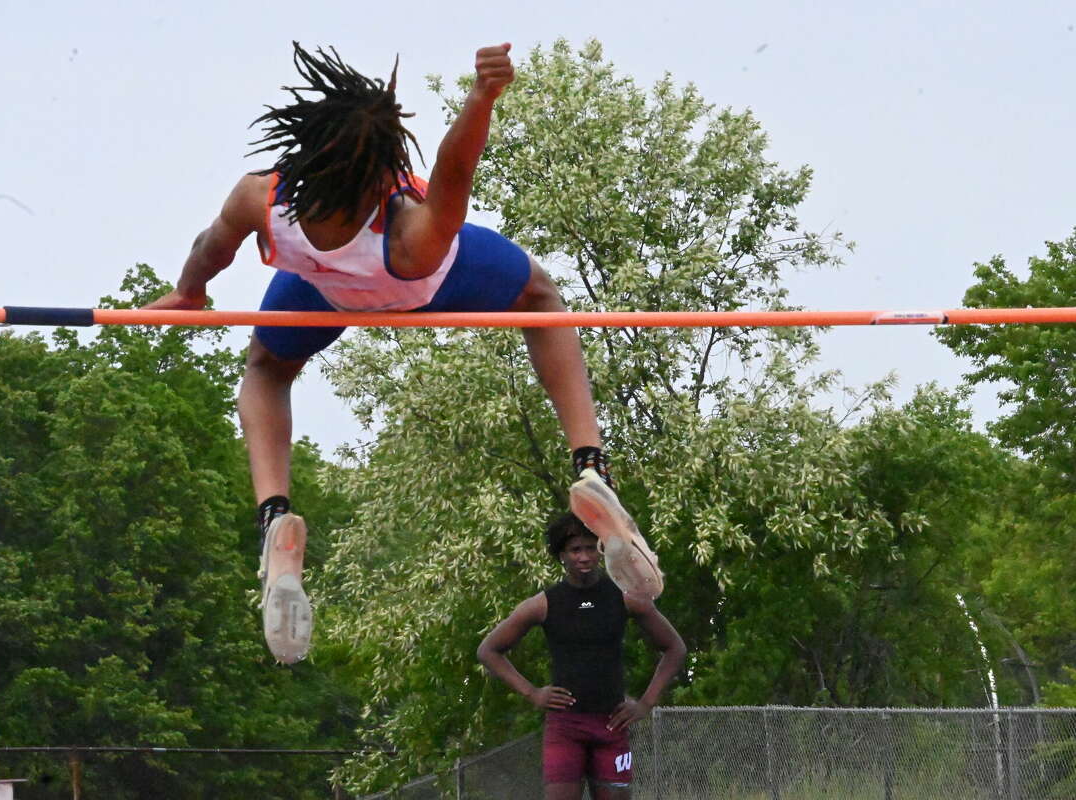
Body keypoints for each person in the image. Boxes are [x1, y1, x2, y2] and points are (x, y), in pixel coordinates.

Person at [141, 42, 657, 664]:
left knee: (267, 370)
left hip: (321, 287)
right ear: (386, 160)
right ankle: (591, 466)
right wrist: (480, 99)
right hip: (414, 275)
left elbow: (211, 245)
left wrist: (188, 291)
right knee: (541, 299)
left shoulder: (262, 199)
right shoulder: (417, 230)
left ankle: (275, 514)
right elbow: (455, 170)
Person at [477, 513, 685, 799]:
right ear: (562, 554)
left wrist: (646, 703)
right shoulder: (543, 604)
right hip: (565, 728)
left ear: (601, 550)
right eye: (576, 550)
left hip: (612, 724)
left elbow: (675, 648)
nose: (584, 557)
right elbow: (488, 650)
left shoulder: (626, 597)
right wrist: (533, 693)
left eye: (590, 548)